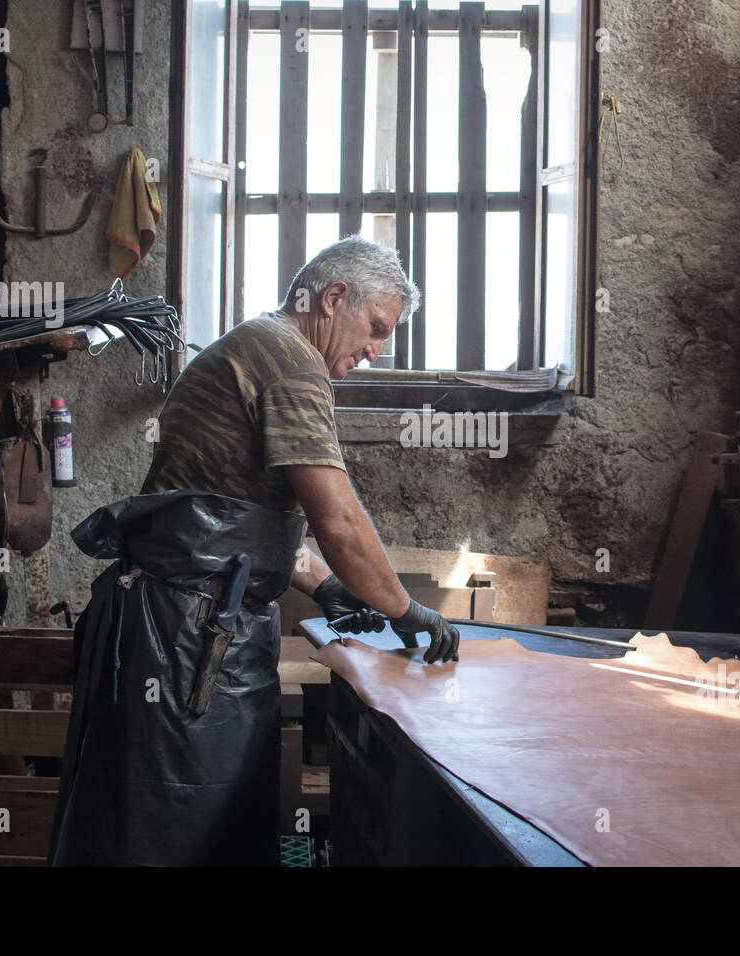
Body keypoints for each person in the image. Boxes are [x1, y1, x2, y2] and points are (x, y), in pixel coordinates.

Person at [49, 235, 461, 866]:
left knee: (208, 829)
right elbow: (339, 521)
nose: (375, 352)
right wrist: (408, 611)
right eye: (375, 328)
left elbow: (234, 519)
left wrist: (325, 586)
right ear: (332, 298)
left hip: (191, 623)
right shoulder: (292, 361)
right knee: (179, 833)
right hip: (186, 640)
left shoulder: (266, 343)